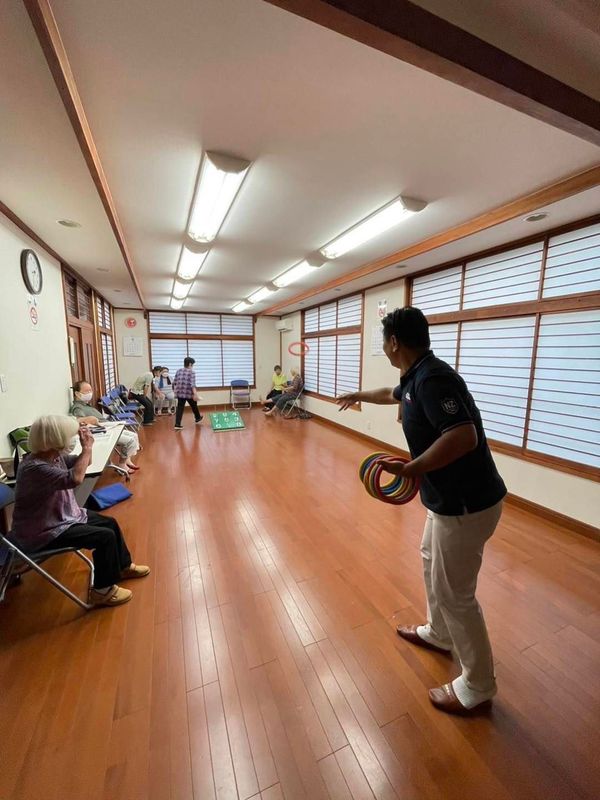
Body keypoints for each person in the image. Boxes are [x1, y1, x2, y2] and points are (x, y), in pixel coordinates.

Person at [336, 306, 506, 716]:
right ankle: (439, 632)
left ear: (394, 342)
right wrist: (359, 395)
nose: (384, 347)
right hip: (444, 500)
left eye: (383, 341)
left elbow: (463, 437)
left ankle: (478, 684)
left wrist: (411, 468)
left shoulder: (434, 379)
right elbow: (390, 395)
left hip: (466, 504)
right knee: (430, 560)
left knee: (456, 594)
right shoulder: (415, 376)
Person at [10, 415, 150, 607]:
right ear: (54, 440)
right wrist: (87, 448)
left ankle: (122, 567)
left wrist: (87, 444)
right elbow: (75, 478)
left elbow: (85, 463)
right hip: (43, 530)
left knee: (110, 523)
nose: (71, 440)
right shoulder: (35, 467)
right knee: (104, 537)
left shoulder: (52, 456)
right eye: (68, 437)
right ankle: (102, 591)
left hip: (63, 516)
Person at [70, 381, 141, 473]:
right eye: (86, 391)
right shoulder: (78, 408)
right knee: (130, 440)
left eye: (90, 390)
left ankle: (127, 459)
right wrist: (88, 419)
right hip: (101, 430)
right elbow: (80, 421)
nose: (89, 393)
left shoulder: (85, 405)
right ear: (77, 393)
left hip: (107, 426)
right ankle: (122, 464)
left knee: (134, 435)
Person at [173, 356, 203, 430]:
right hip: (188, 393)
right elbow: (192, 384)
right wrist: (195, 394)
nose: (192, 366)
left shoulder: (179, 370)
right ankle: (198, 417)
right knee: (194, 405)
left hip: (180, 393)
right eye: (192, 364)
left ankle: (177, 424)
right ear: (190, 364)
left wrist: (175, 391)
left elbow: (174, 382)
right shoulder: (192, 372)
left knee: (180, 408)